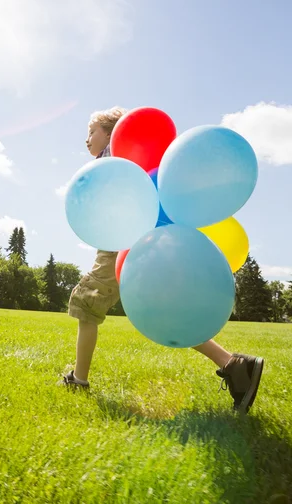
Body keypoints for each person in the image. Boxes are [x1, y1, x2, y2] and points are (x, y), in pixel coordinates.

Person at [63, 106, 264, 413]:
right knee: (164, 310)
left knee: (86, 306)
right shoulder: (124, 162)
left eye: (92, 132)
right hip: (136, 242)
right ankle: (235, 364)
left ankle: (78, 379)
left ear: (111, 132)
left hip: (122, 242)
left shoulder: (114, 160)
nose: (86, 139)